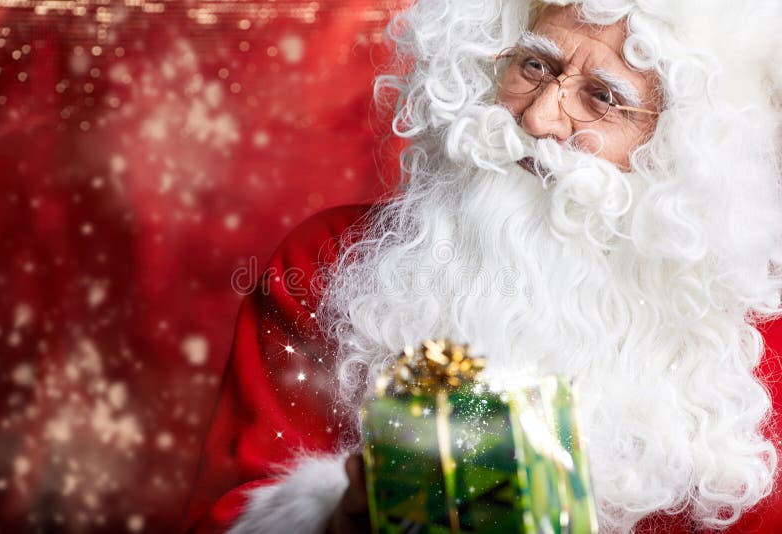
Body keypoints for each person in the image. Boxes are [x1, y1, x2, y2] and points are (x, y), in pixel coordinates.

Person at [185, 0, 782, 532]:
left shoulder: (751, 344)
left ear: (680, 156)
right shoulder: (326, 261)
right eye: (536, 66)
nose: (538, 119)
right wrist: (332, 516)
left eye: (602, 98)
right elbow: (230, 512)